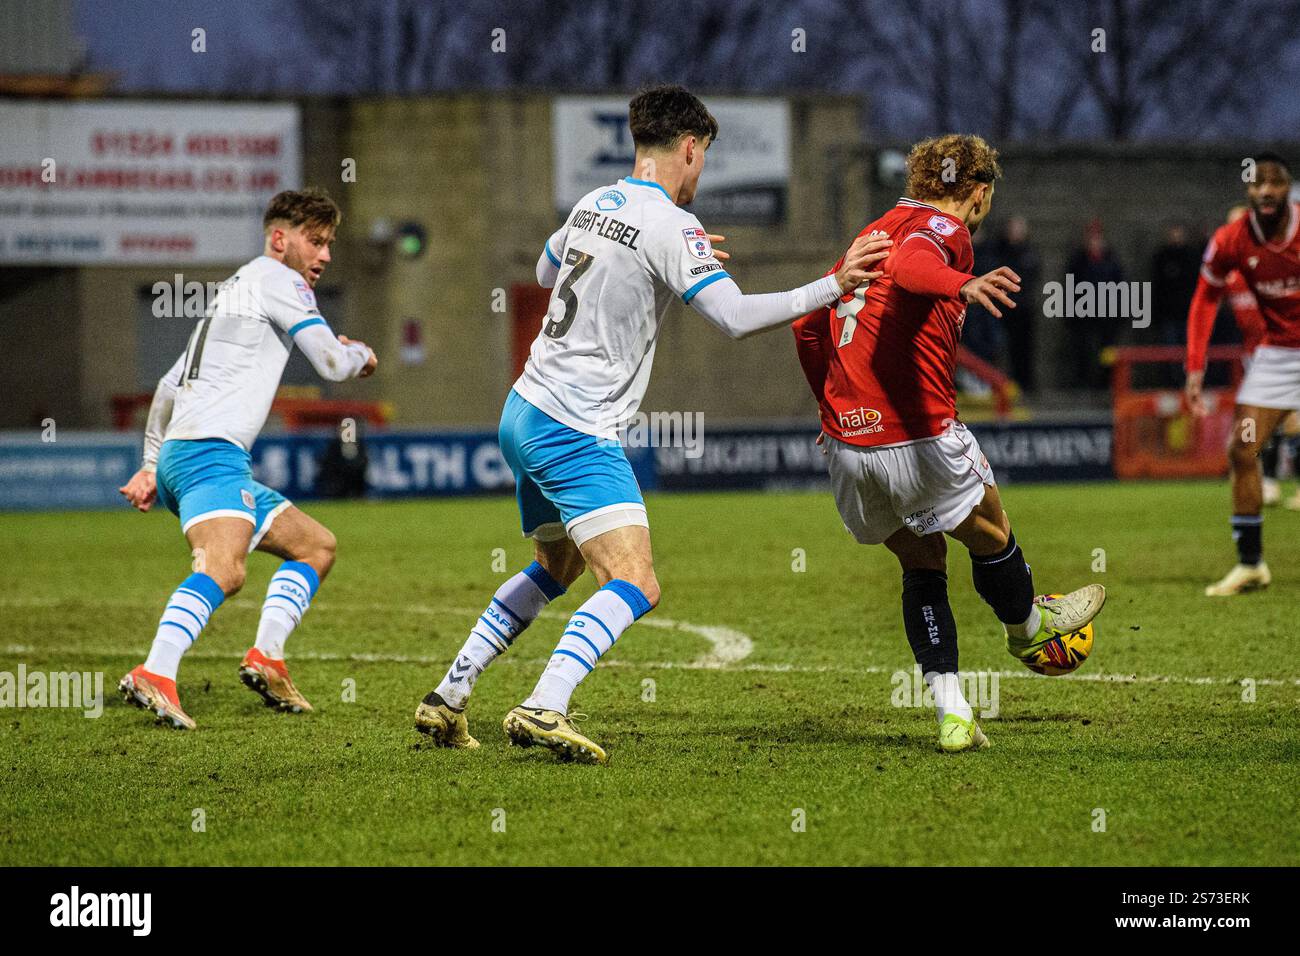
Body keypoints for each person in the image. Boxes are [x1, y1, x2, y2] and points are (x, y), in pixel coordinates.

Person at [412, 85, 891, 764]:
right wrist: (835, 283)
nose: (701, 173)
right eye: (704, 159)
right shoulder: (672, 225)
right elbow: (735, 318)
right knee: (636, 582)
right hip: (574, 427)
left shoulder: (593, 202)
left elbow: (550, 268)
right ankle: (545, 704)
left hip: (523, 410)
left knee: (558, 564)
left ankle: (448, 698)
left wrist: (653, 259)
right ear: (690, 149)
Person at [792, 134, 1106, 753]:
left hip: (846, 446)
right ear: (981, 192)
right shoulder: (946, 230)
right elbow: (914, 265)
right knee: (992, 532)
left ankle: (954, 712)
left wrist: (829, 405)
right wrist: (960, 286)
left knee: (923, 562)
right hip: (917, 434)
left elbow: (808, 324)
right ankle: (1028, 627)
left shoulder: (871, 231)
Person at [116, 189, 378, 729]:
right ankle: (156, 672)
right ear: (280, 239)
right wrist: (361, 356)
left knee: (315, 546)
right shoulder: (279, 281)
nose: (325, 256)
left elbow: (168, 386)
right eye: (316, 241)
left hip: (190, 456)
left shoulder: (236, 287)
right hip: (207, 456)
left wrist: (149, 465)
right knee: (225, 570)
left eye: (329, 244)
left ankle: (267, 657)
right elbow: (330, 361)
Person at [1186, 156, 1300, 595]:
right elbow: (1204, 299)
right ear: (1248, 192)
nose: (1267, 190)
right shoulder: (1231, 239)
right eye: (1258, 183)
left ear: (1289, 188)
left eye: (1276, 181)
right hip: (1277, 356)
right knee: (1242, 448)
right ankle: (1252, 565)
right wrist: (1195, 367)